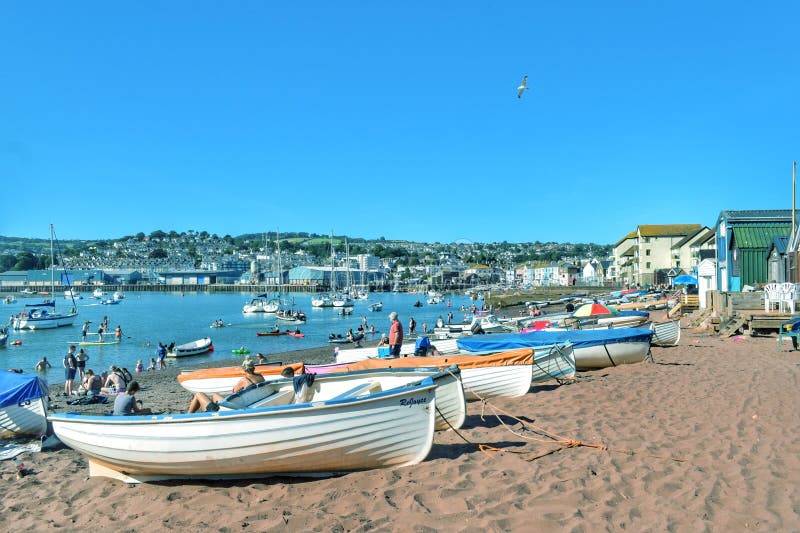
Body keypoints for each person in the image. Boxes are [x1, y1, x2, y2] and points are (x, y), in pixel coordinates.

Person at [188, 358, 266, 413]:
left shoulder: (244, 380)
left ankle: (188, 416)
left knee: (199, 394)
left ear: (244, 369)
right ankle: (206, 409)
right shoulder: (260, 377)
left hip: (232, 410)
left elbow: (234, 391)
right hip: (247, 405)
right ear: (254, 367)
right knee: (215, 396)